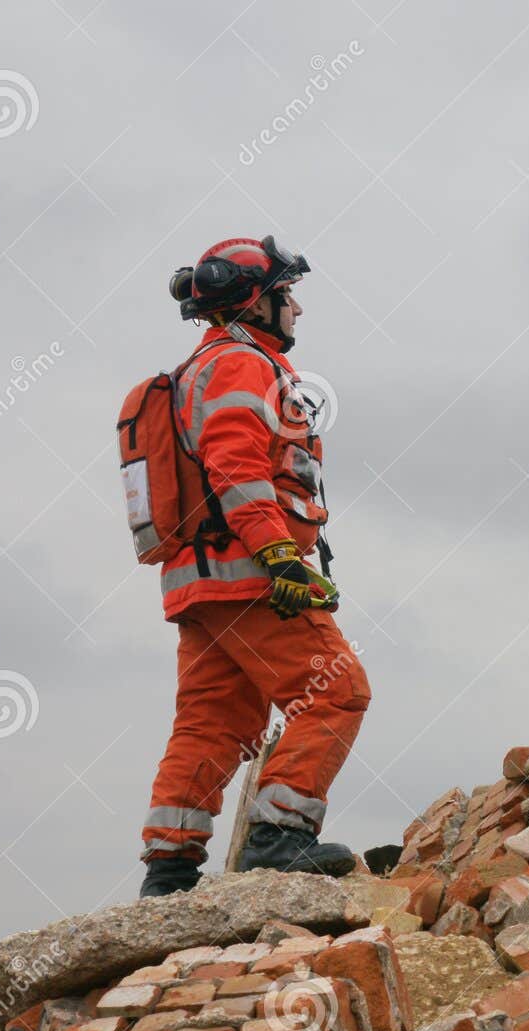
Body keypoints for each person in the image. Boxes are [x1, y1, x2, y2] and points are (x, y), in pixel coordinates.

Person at [139, 236, 370, 899]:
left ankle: (169, 871)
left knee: (213, 723)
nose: (295, 307)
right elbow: (235, 467)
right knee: (336, 689)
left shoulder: (200, 367)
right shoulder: (242, 364)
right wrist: (278, 556)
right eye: (285, 294)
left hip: (199, 586)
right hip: (249, 573)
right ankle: (279, 837)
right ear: (253, 301)